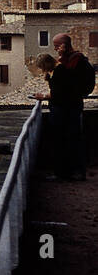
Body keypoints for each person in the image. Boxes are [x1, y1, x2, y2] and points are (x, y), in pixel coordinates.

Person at [33, 34, 95, 181]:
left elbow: (63, 92)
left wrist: (46, 96)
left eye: (57, 46)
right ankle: (73, 172)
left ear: (64, 45)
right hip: (70, 108)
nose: (56, 49)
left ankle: (67, 173)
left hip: (67, 110)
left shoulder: (70, 64)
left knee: (67, 141)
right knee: (71, 140)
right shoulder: (65, 64)